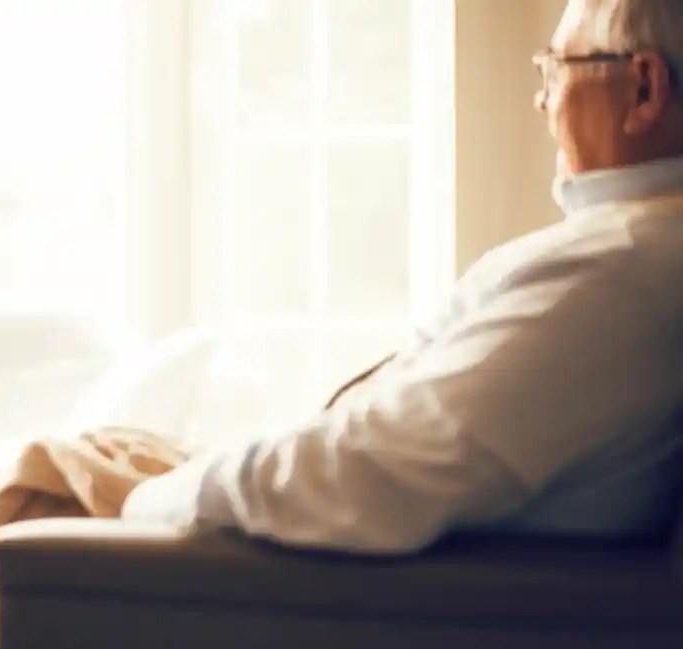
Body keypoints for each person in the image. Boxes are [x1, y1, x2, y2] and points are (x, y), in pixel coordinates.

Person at [124, 0, 683, 550]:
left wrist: (144, 498)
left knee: (57, 485)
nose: (541, 99)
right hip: (360, 568)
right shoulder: (626, 256)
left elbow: (361, 481)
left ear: (643, 90)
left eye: (558, 67)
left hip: (350, 611)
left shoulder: (615, 279)